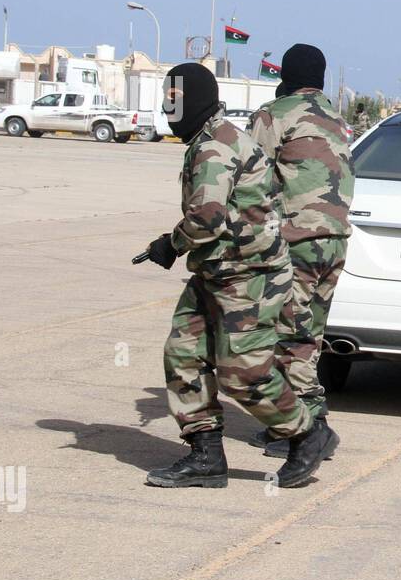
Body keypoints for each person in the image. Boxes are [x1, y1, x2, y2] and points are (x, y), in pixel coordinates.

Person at [140, 63, 335, 490]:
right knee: (184, 356)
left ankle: (306, 433)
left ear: (190, 100)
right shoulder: (211, 138)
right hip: (217, 270)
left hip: (248, 275)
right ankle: (205, 456)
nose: (166, 109)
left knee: (242, 372)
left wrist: (169, 245)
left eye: (172, 100)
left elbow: (207, 219)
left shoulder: (215, 147)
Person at [247, 44, 356, 460]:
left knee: (286, 335)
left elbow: (248, 175)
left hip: (296, 241)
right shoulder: (336, 118)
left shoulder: (275, 115)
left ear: (285, 76)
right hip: (335, 242)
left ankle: (312, 428)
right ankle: (293, 426)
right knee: (310, 334)